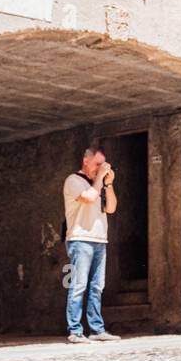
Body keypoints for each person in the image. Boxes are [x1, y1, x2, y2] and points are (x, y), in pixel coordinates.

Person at [62, 146, 121, 343]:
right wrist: (99, 180)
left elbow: (111, 208)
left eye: (103, 165)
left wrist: (109, 184)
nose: (100, 168)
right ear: (85, 161)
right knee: (78, 285)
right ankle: (75, 331)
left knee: (97, 287)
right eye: (97, 164)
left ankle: (97, 330)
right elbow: (88, 198)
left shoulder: (100, 185)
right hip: (80, 239)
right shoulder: (73, 181)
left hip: (100, 240)